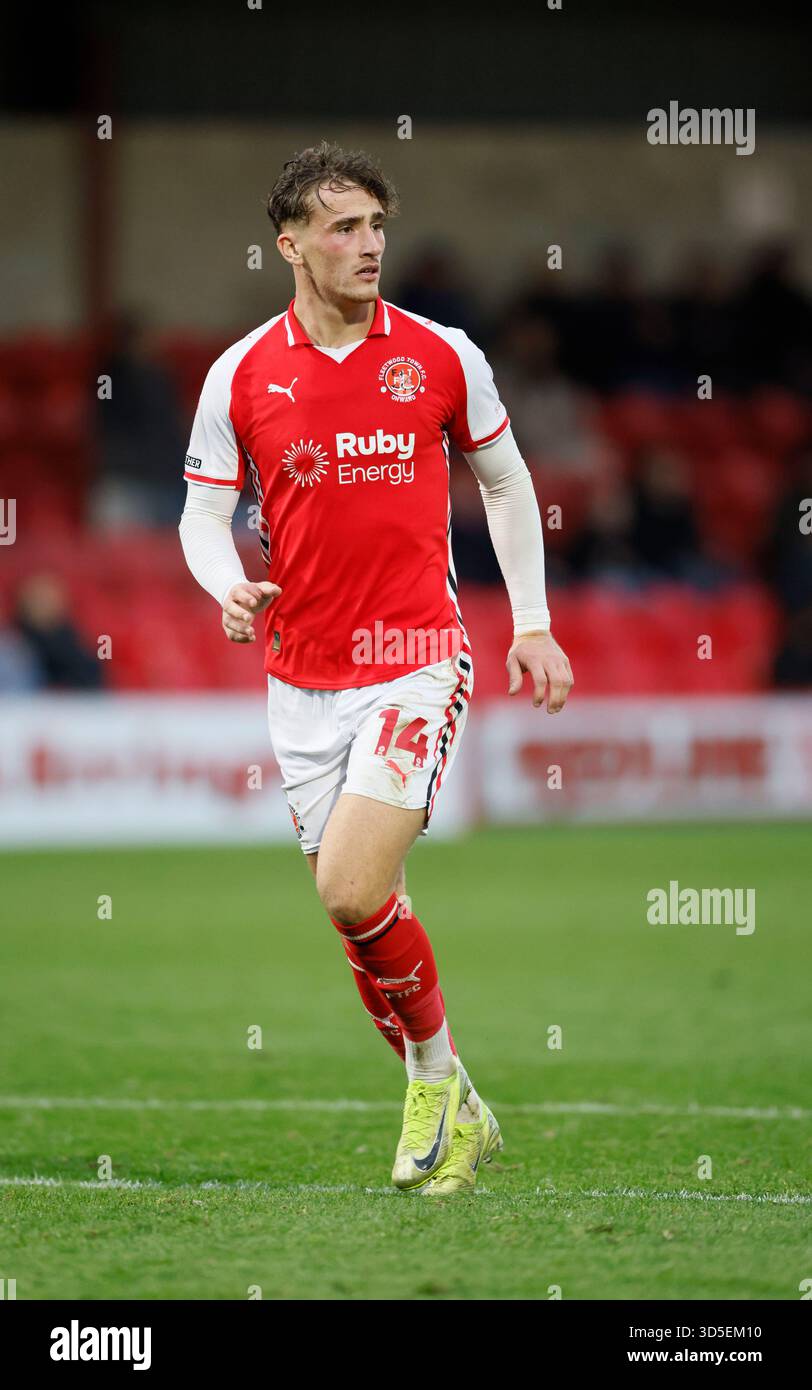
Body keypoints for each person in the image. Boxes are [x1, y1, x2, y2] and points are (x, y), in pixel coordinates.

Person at [179, 141, 573, 1196]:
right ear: (290, 244)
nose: (367, 246)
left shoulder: (442, 354)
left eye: (376, 226)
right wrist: (223, 581)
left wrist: (528, 621)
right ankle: (459, 1106)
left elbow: (502, 478)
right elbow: (202, 510)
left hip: (413, 659)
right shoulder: (242, 373)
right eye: (343, 227)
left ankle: (438, 1082)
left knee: (350, 885)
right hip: (298, 680)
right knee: (359, 918)